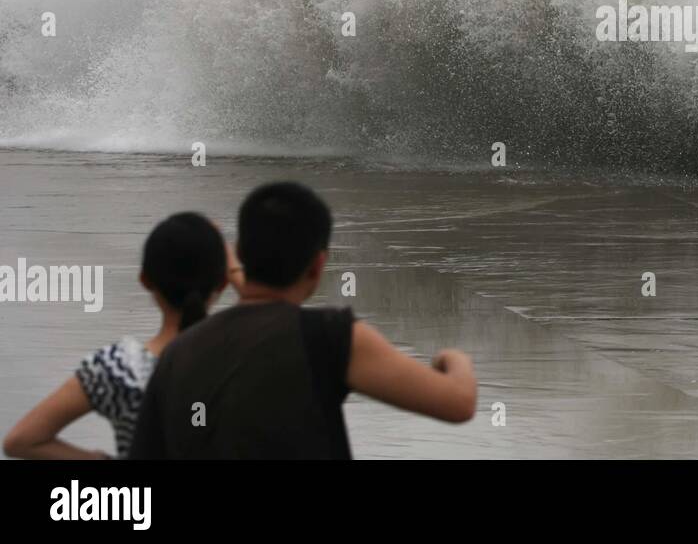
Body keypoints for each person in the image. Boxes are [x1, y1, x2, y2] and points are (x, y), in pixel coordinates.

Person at [129, 182, 477, 459]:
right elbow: (458, 403)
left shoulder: (179, 353)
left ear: (243, 254)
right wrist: (453, 359)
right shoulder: (330, 336)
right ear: (318, 265)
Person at [3, 214, 230, 459]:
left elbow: (21, 441)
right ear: (222, 283)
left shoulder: (120, 366)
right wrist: (232, 261)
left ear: (145, 280)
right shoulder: (242, 360)